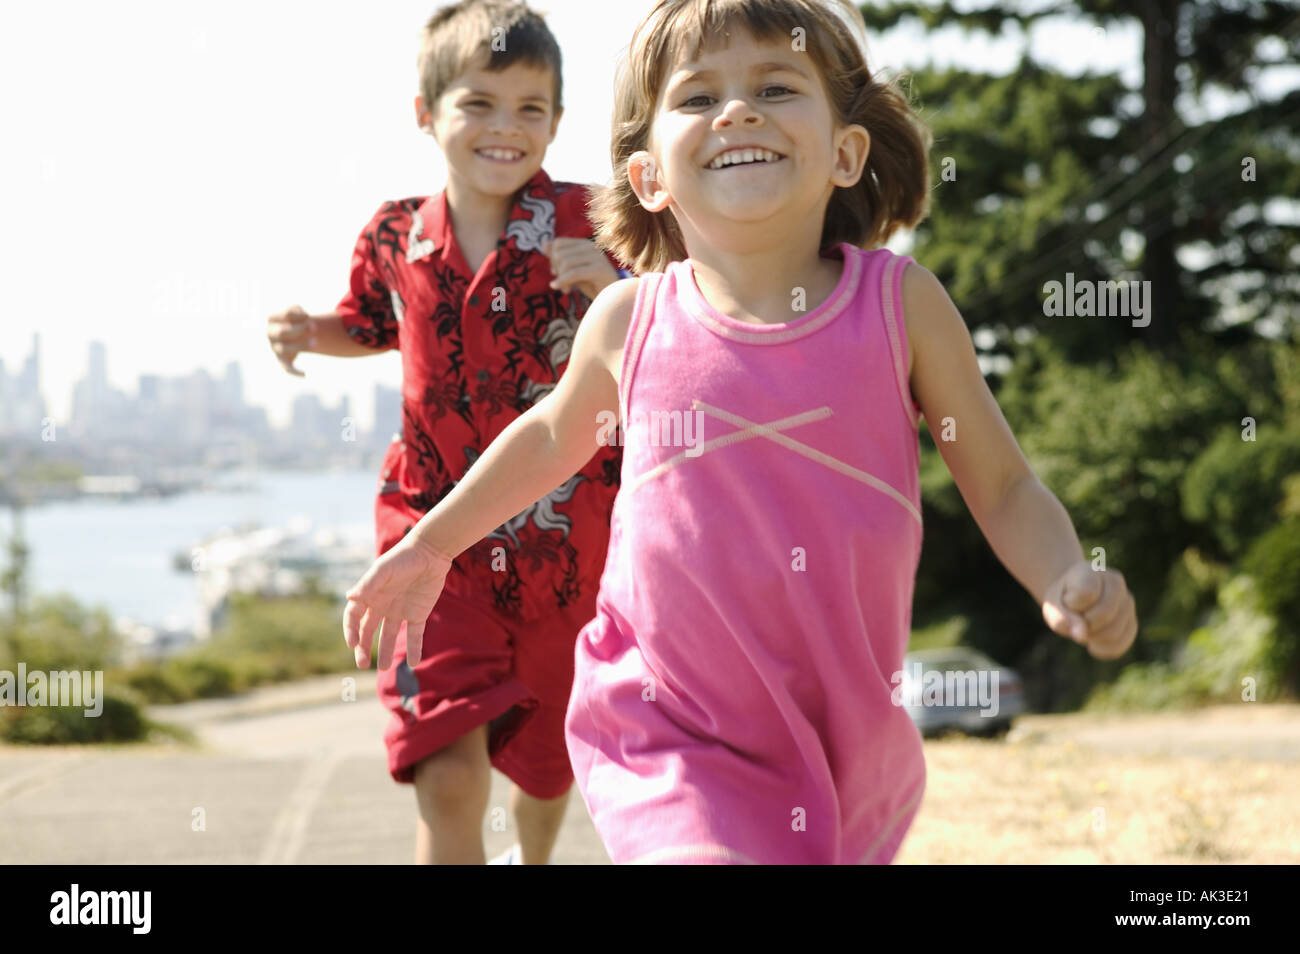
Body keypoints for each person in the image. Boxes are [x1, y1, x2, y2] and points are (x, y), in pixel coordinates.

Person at [342, 0, 1139, 864]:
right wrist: (432, 545)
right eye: (697, 97)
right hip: (666, 729)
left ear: (845, 151)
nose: (737, 110)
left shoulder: (899, 306)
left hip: (849, 746)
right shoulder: (628, 321)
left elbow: (1005, 485)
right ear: (648, 177)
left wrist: (1065, 571)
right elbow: (547, 439)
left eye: (775, 85)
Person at [267, 0, 624, 865]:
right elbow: (370, 320)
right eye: (479, 103)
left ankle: (533, 859)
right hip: (433, 538)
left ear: (558, 122)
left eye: (530, 108)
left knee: (548, 767)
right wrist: (309, 331)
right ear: (426, 113)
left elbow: (668, 338)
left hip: (571, 544)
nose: (506, 127)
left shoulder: (596, 216)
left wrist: (617, 281)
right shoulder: (394, 233)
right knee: (450, 774)